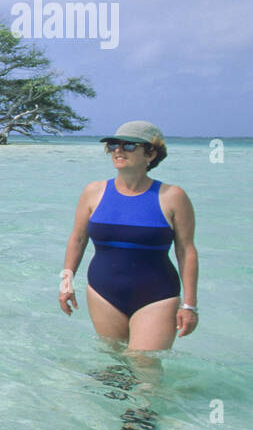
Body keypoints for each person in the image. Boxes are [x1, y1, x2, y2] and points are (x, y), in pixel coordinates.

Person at [59, 121, 199, 352]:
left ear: (151, 153)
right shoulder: (93, 191)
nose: (118, 150)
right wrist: (66, 284)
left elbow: (186, 251)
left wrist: (189, 305)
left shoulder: (173, 196)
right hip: (102, 294)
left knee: (145, 369)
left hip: (157, 297)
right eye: (113, 145)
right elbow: (77, 239)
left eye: (129, 146)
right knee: (114, 368)